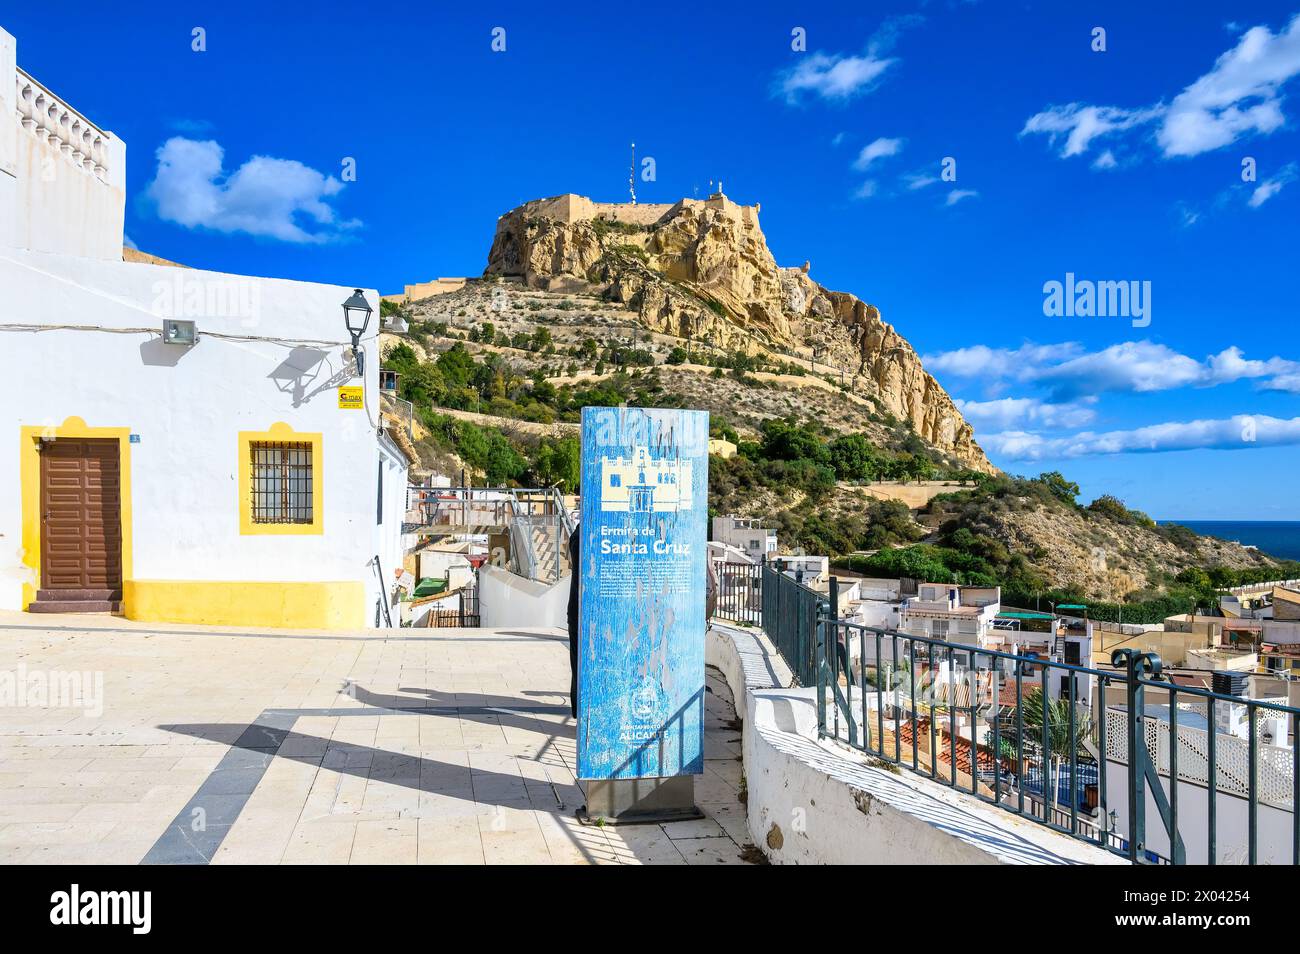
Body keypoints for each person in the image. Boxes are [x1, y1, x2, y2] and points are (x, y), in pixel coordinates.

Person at [566, 529, 580, 718]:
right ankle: (580, 711)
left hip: (578, 611)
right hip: (580, 613)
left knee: (577, 664)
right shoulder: (581, 538)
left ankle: (579, 710)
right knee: (578, 665)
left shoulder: (578, 535)